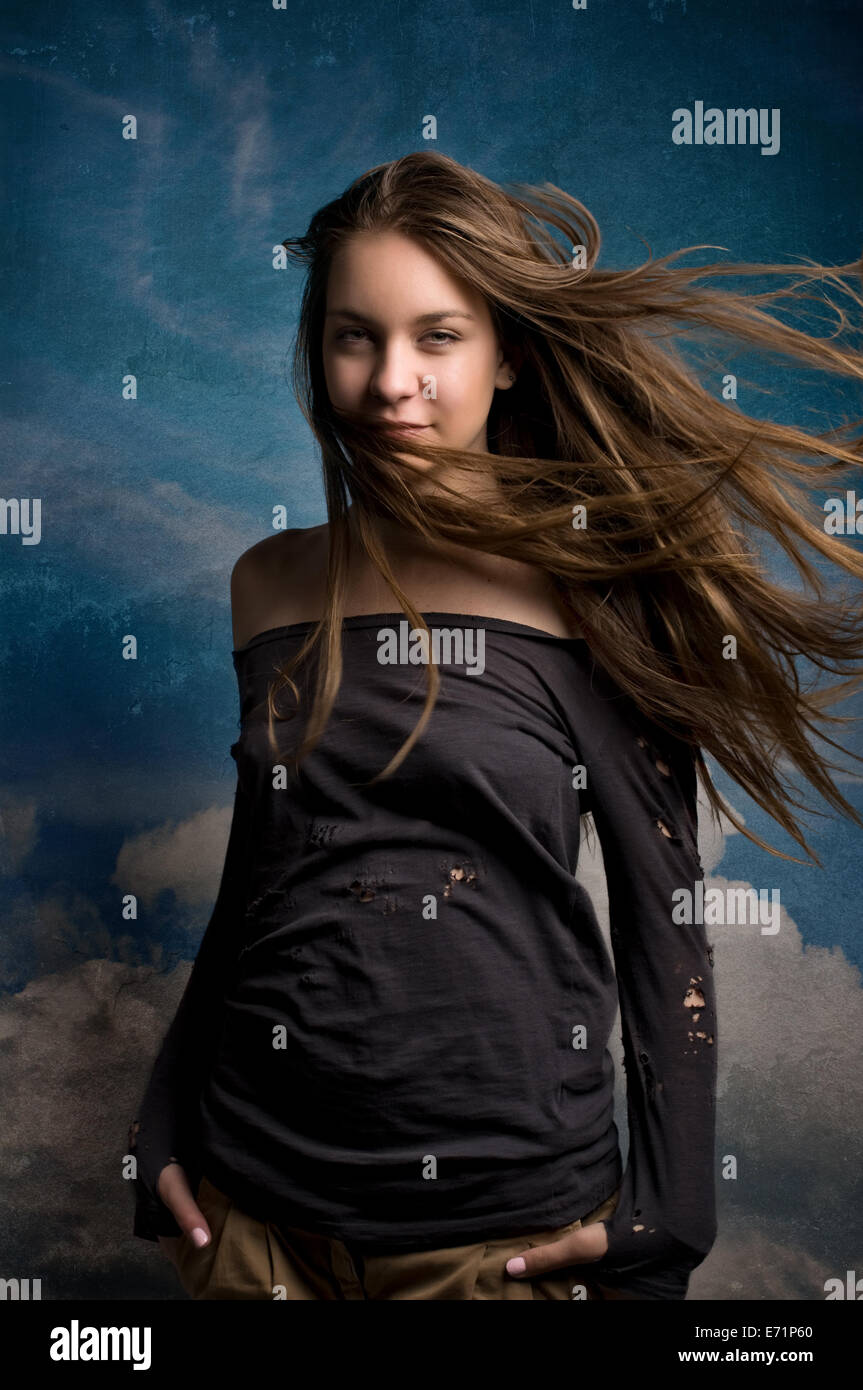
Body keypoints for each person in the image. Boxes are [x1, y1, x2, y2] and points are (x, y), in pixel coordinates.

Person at [127, 151, 863, 1300]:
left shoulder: (599, 594)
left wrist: (669, 1217)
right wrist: (163, 1118)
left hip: (495, 1240)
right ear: (317, 355)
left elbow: (664, 917)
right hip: (252, 1220)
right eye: (353, 336)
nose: (390, 382)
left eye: (437, 336)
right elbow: (260, 881)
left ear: (508, 352)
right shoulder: (266, 584)